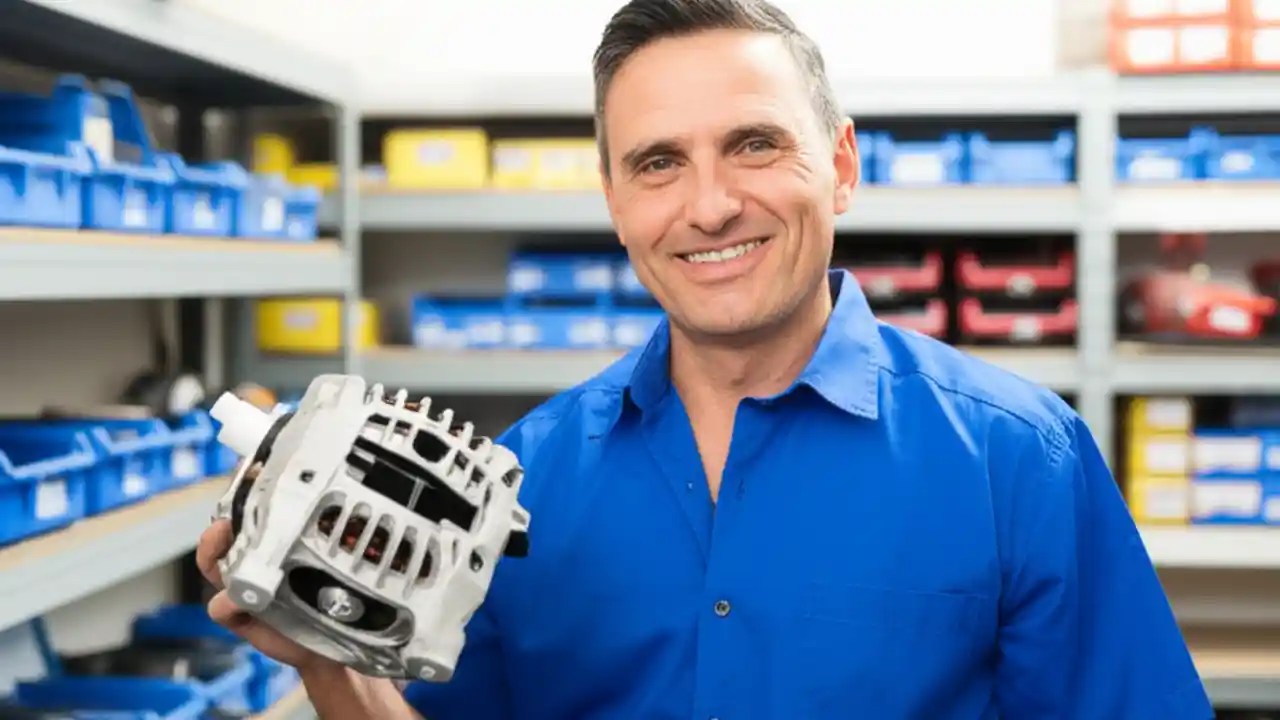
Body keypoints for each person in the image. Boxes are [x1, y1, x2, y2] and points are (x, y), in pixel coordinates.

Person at [196, 0, 1215, 717]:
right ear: (613, 202)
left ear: (842, 167)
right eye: (657, 163)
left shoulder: (1015, 459)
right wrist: (329, 660)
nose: (710, 204)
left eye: (754, 145)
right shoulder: (517, 483)